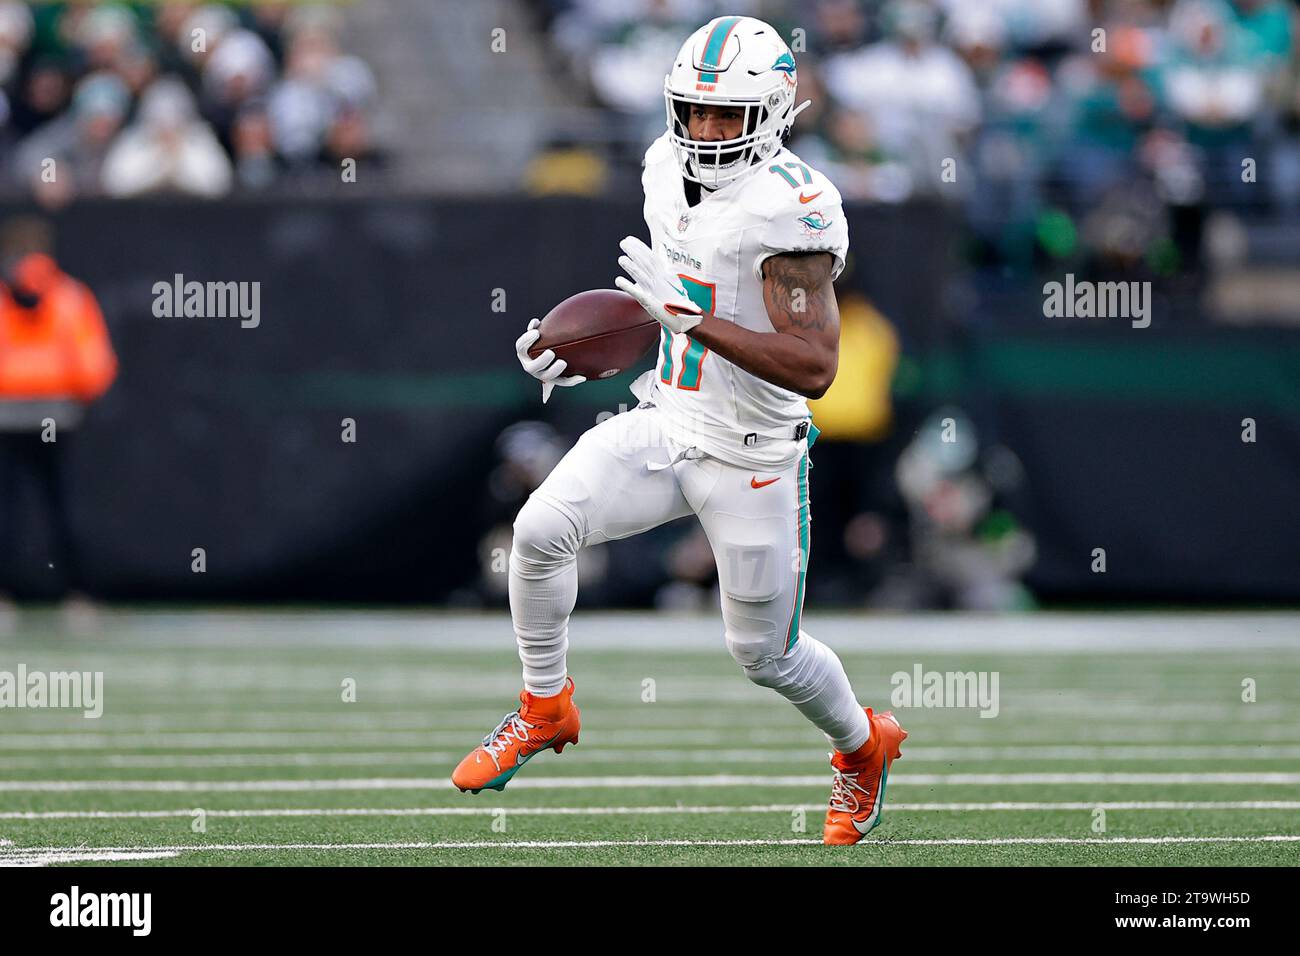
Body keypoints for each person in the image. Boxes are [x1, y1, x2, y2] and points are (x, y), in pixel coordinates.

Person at [451, 16, 907, 846]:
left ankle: (862, 746)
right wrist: (570, 344)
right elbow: (666, 295)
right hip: (668, 415)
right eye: (691, 111)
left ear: (772, 113)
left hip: (756, 455)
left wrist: (688, 322)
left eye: (723, 116)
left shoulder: (791, 210)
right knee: (541, 531)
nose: (702, 132)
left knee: (766, 655)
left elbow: (813, 367)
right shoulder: (664, 166)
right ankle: (544, 706)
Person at [0, 217, 116, 602]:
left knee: (9, 508)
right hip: (58, 415)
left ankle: (7, 594)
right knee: (63, 503)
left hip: (8, 416)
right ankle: (79, 593)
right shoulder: (70, 295)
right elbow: (94, 366)